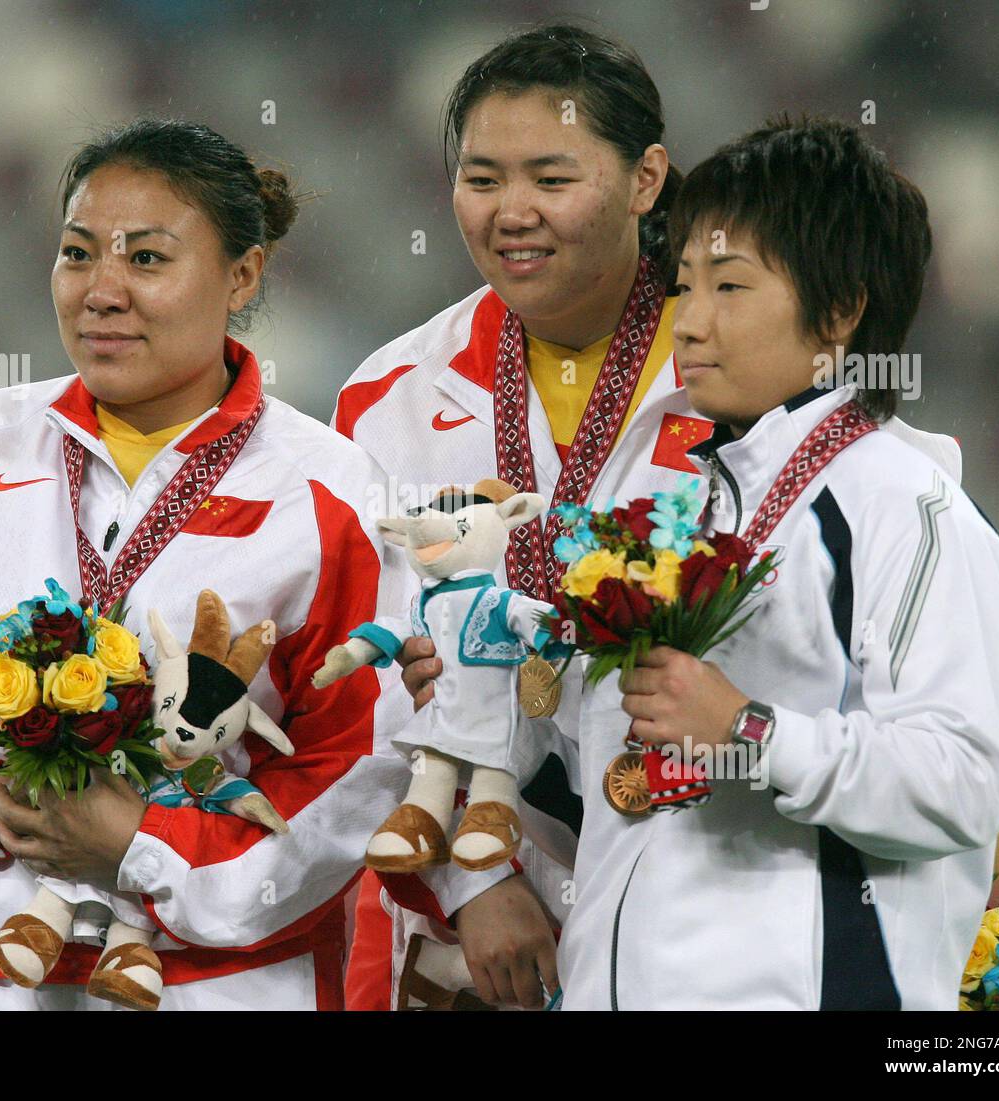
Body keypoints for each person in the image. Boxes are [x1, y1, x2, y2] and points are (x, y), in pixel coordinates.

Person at [0, 117, 410, 1010]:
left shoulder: (329, 488)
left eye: (147, 259)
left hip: (224, 984)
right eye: (77, 254)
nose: (101, 291)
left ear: (243, 275)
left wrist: (142, 844)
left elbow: (360, 768)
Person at [555, 114, 999, 1009]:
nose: (690, 323)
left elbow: (965, 783)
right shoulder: (680, 515)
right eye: (684, 285)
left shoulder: (906, 506)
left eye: (731, 287)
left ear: (840, 309)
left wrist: (751, 732)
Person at [337, 23, 703, 1010]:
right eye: (481, 178)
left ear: (646, 177)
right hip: (463, 939)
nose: (512, 214)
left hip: (696, 900)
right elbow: (364, 686)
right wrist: (474, 885)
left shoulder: (737, 375)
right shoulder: (392, 397)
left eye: (551, 177)